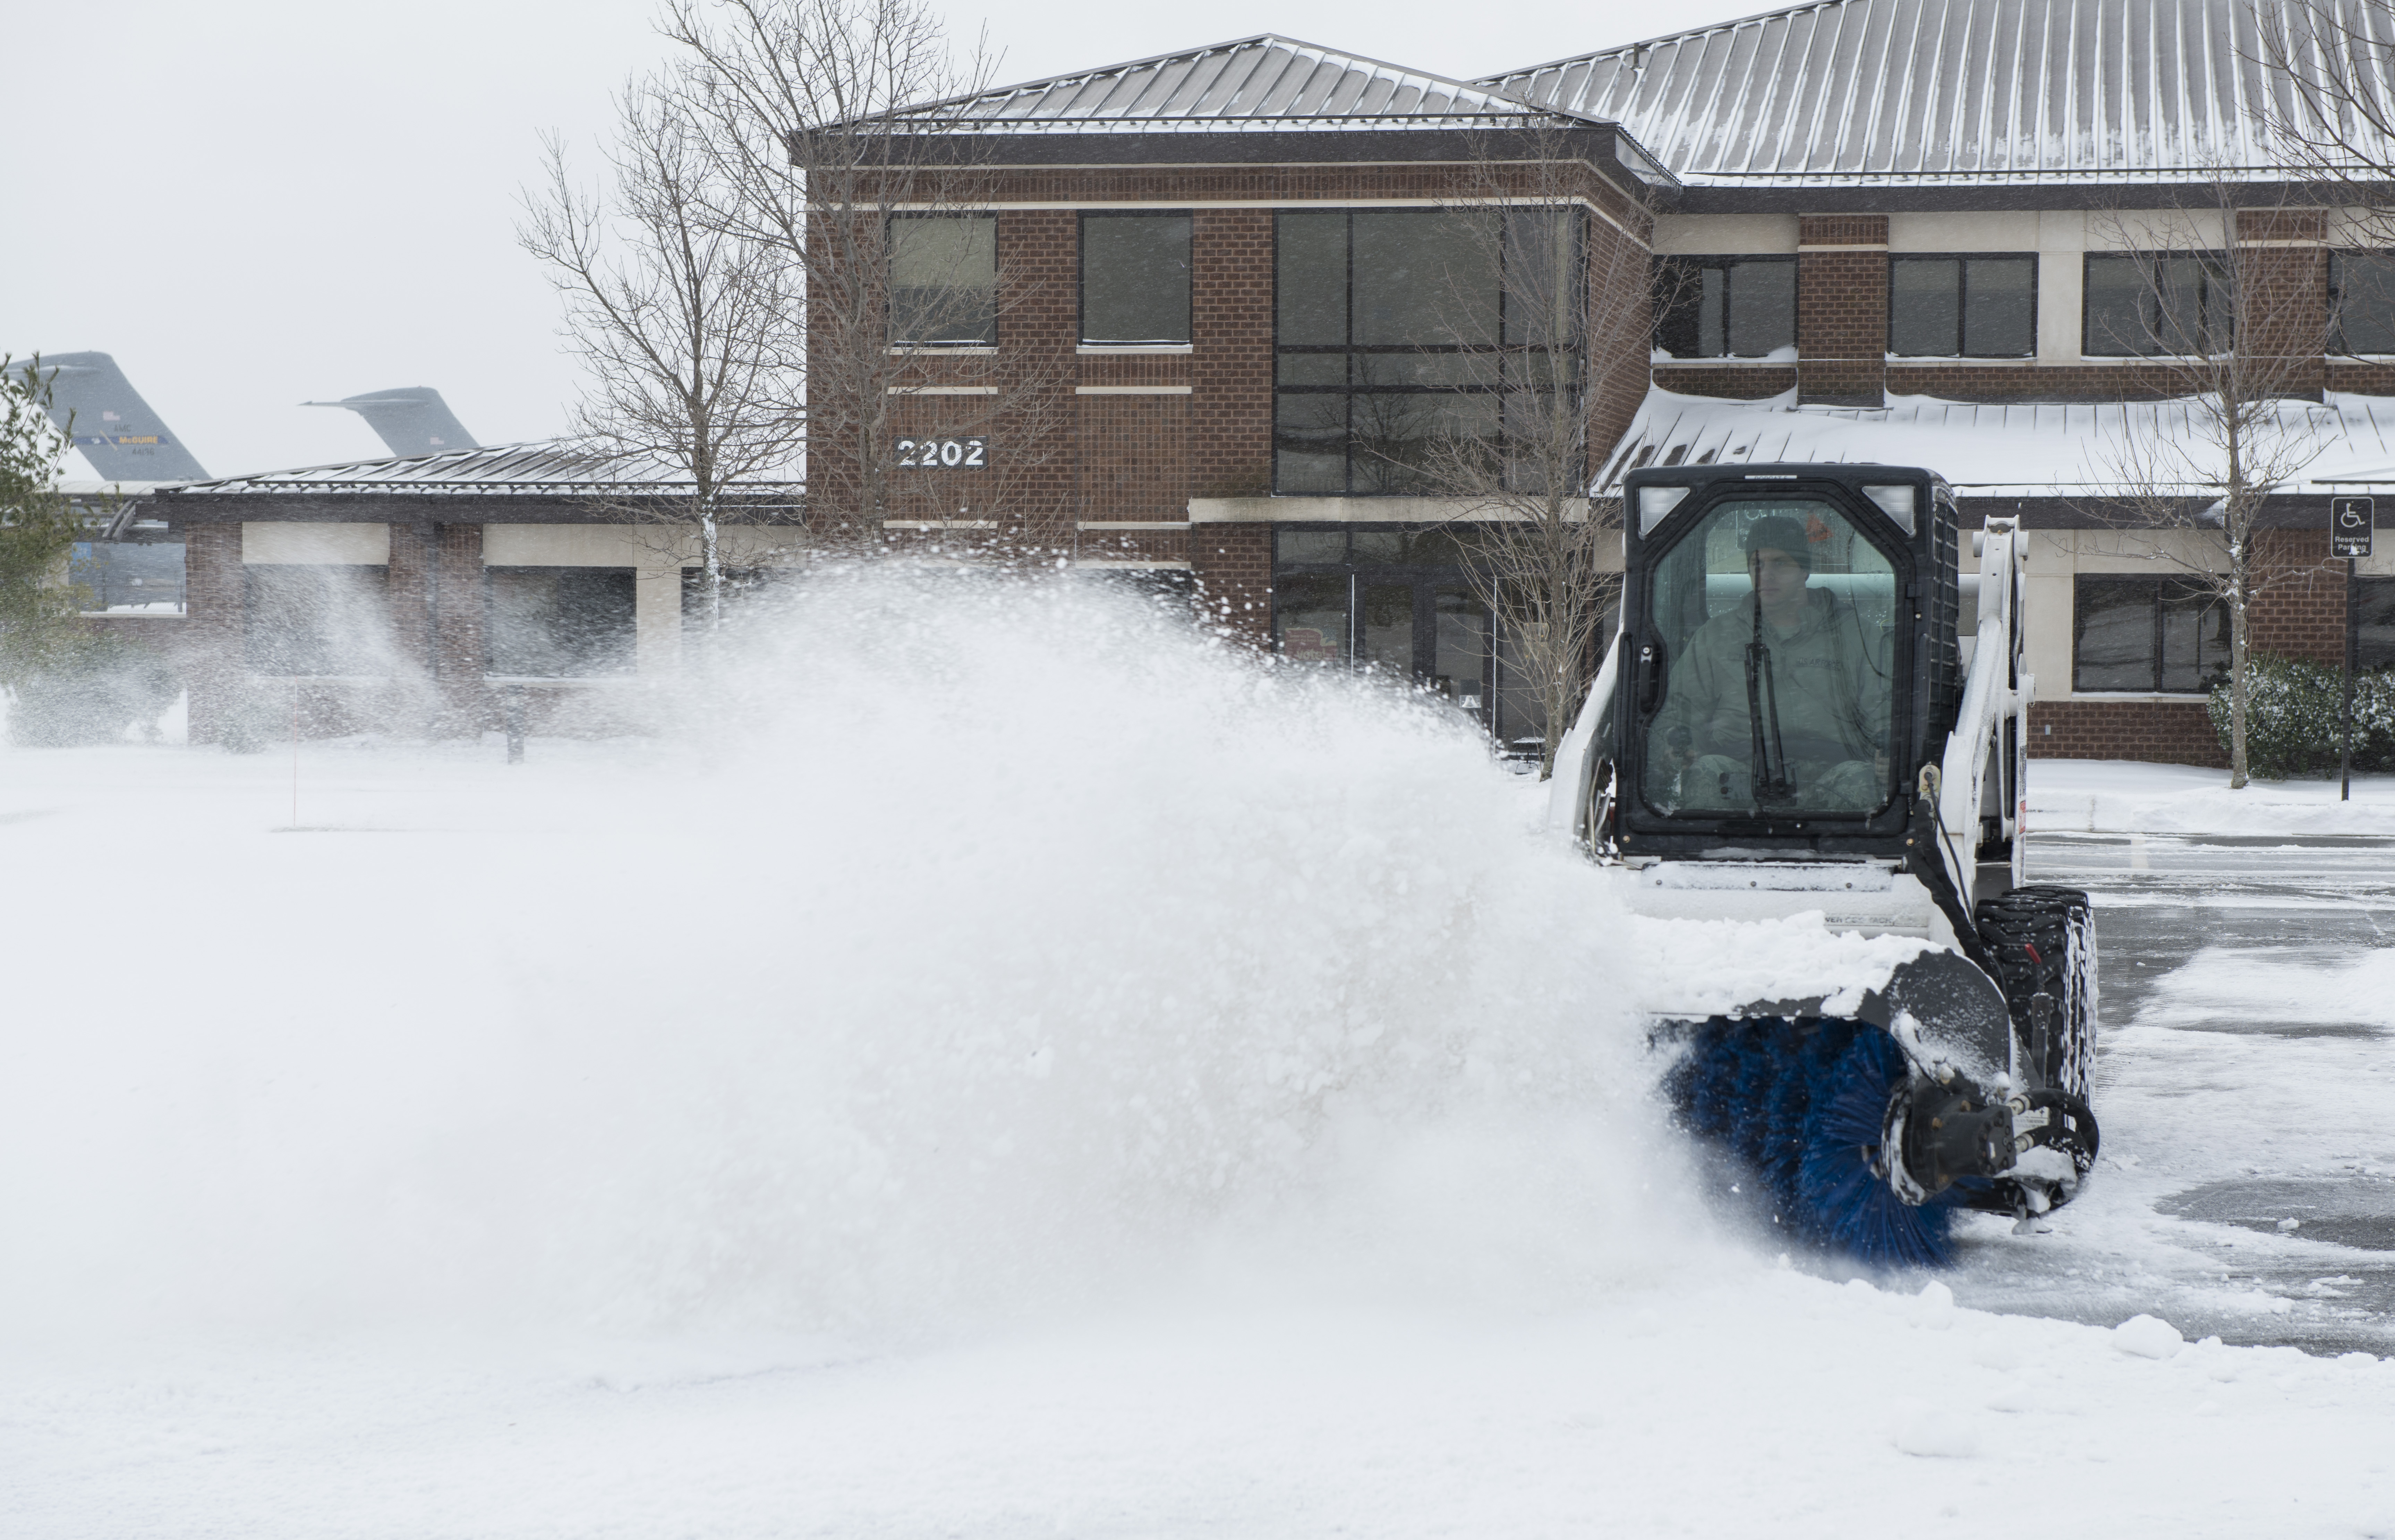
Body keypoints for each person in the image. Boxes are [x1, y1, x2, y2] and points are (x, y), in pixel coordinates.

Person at [1649, 513, 1891, 812]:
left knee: (1861, 781)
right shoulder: (1716, 637)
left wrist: (1889, 754)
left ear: (1804, 569)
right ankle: (1715, 857)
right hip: (1741, 773)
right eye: (1757, 563)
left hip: (1832, 772)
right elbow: (1682, 708)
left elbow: (1885, 712)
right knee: (1706, 775)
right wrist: (1680, 748)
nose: (1766, 574)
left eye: (1781, 563)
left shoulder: (1857, 636)